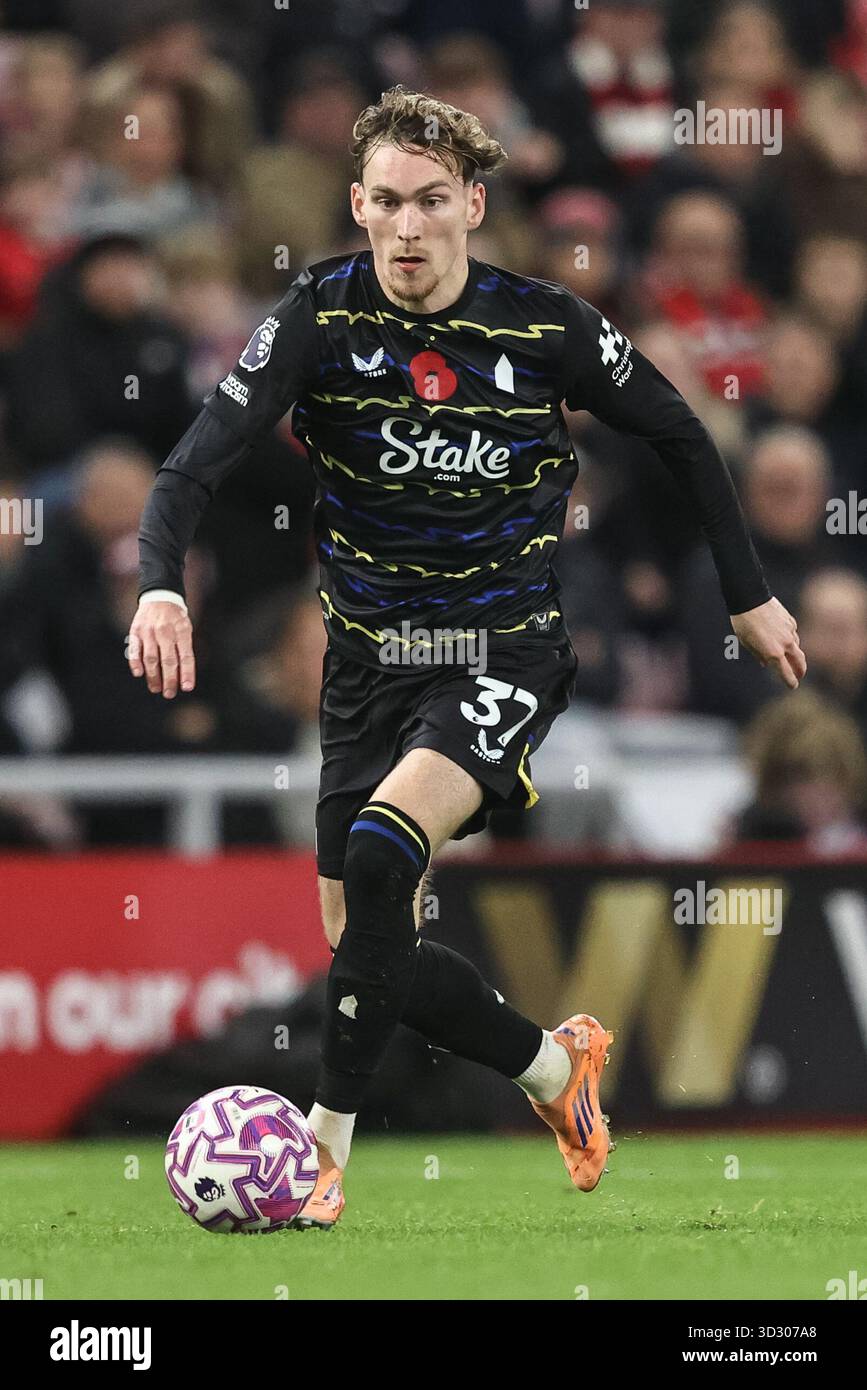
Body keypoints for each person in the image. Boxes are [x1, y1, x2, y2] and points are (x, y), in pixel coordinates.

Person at [127, 86, 805, 1229]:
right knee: (366, 947)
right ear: (356, 205)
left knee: (388, 855)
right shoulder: (316, 319)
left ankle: (319, 1155)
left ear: (472, 206)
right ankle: (553, 1067)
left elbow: (682, 432)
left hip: (502, 647)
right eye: (385, 202)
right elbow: (194, 462)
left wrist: (749, 596)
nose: (405, 226)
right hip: (362, 666)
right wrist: (157, 578)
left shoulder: (543, 326)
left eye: (430, 201)